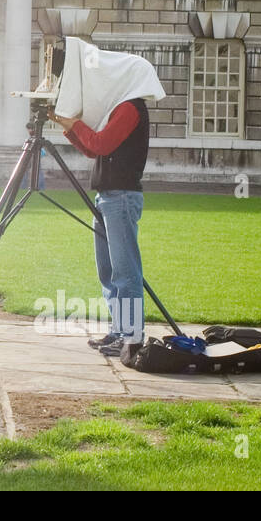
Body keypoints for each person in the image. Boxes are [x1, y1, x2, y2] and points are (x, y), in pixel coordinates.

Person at [47, 36, 166, 360]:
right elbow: (91, 149)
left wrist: (75, 123)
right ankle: (120, 331)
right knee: (108, 271)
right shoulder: (121, 108)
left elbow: (100, 144)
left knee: (125, 272)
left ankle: (132, 337)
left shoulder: (130, 109)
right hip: (108, 198)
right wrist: (69, 128)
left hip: (120, 198)